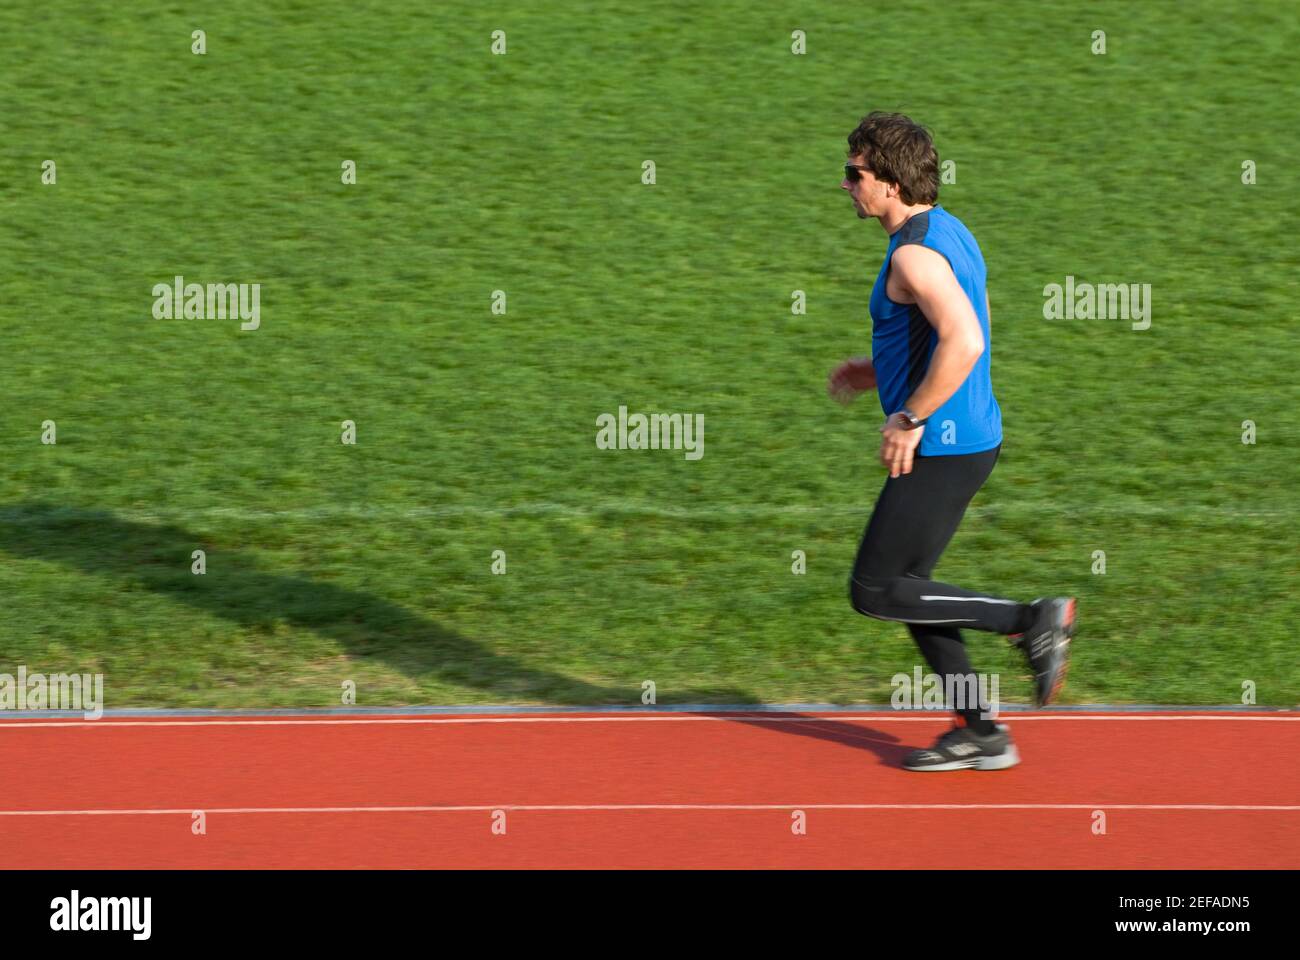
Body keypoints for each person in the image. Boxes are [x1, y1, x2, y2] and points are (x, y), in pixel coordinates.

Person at [827, 112, 1075, 772]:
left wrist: (907, 416)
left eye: (855, 174)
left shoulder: (911, 254)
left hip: (940, 446)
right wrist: (877, 371)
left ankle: (1029, 618)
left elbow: (965, 341)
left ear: (891, 181)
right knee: (912, 588)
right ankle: (983, 730)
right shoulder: (950, 231)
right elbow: (959, 329)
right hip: (971, 437)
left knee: (876, 589)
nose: (845, 184)